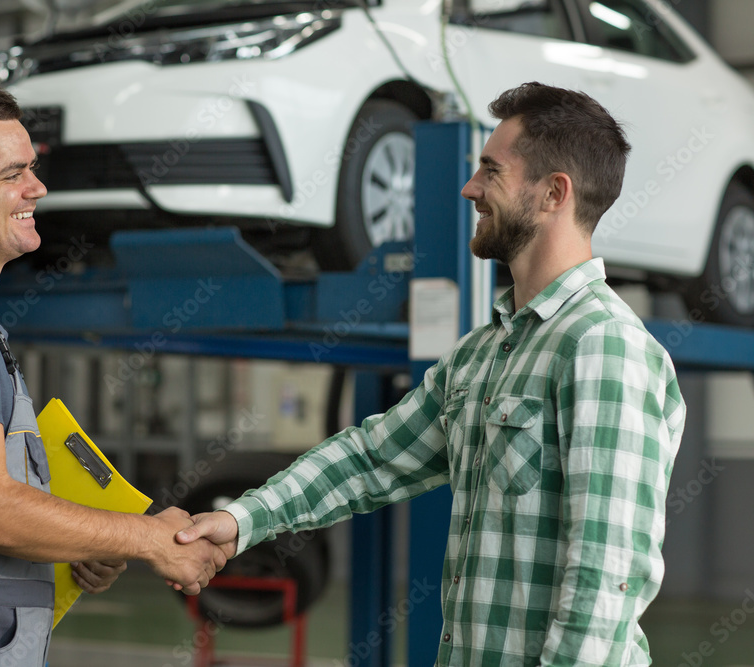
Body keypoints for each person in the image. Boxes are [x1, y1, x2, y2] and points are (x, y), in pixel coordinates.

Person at [177, 82, 686, 666]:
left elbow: (607, 572)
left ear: (553, 193)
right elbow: (371, 459)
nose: (469, 188)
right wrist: (241, 520)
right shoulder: (482, 352)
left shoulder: (603, 347)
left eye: (491, 171)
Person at [0, 79, 227, 667]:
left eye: (32, 167)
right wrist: (149, 538)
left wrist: (80, 542)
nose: (37, 187)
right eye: (12, 174)